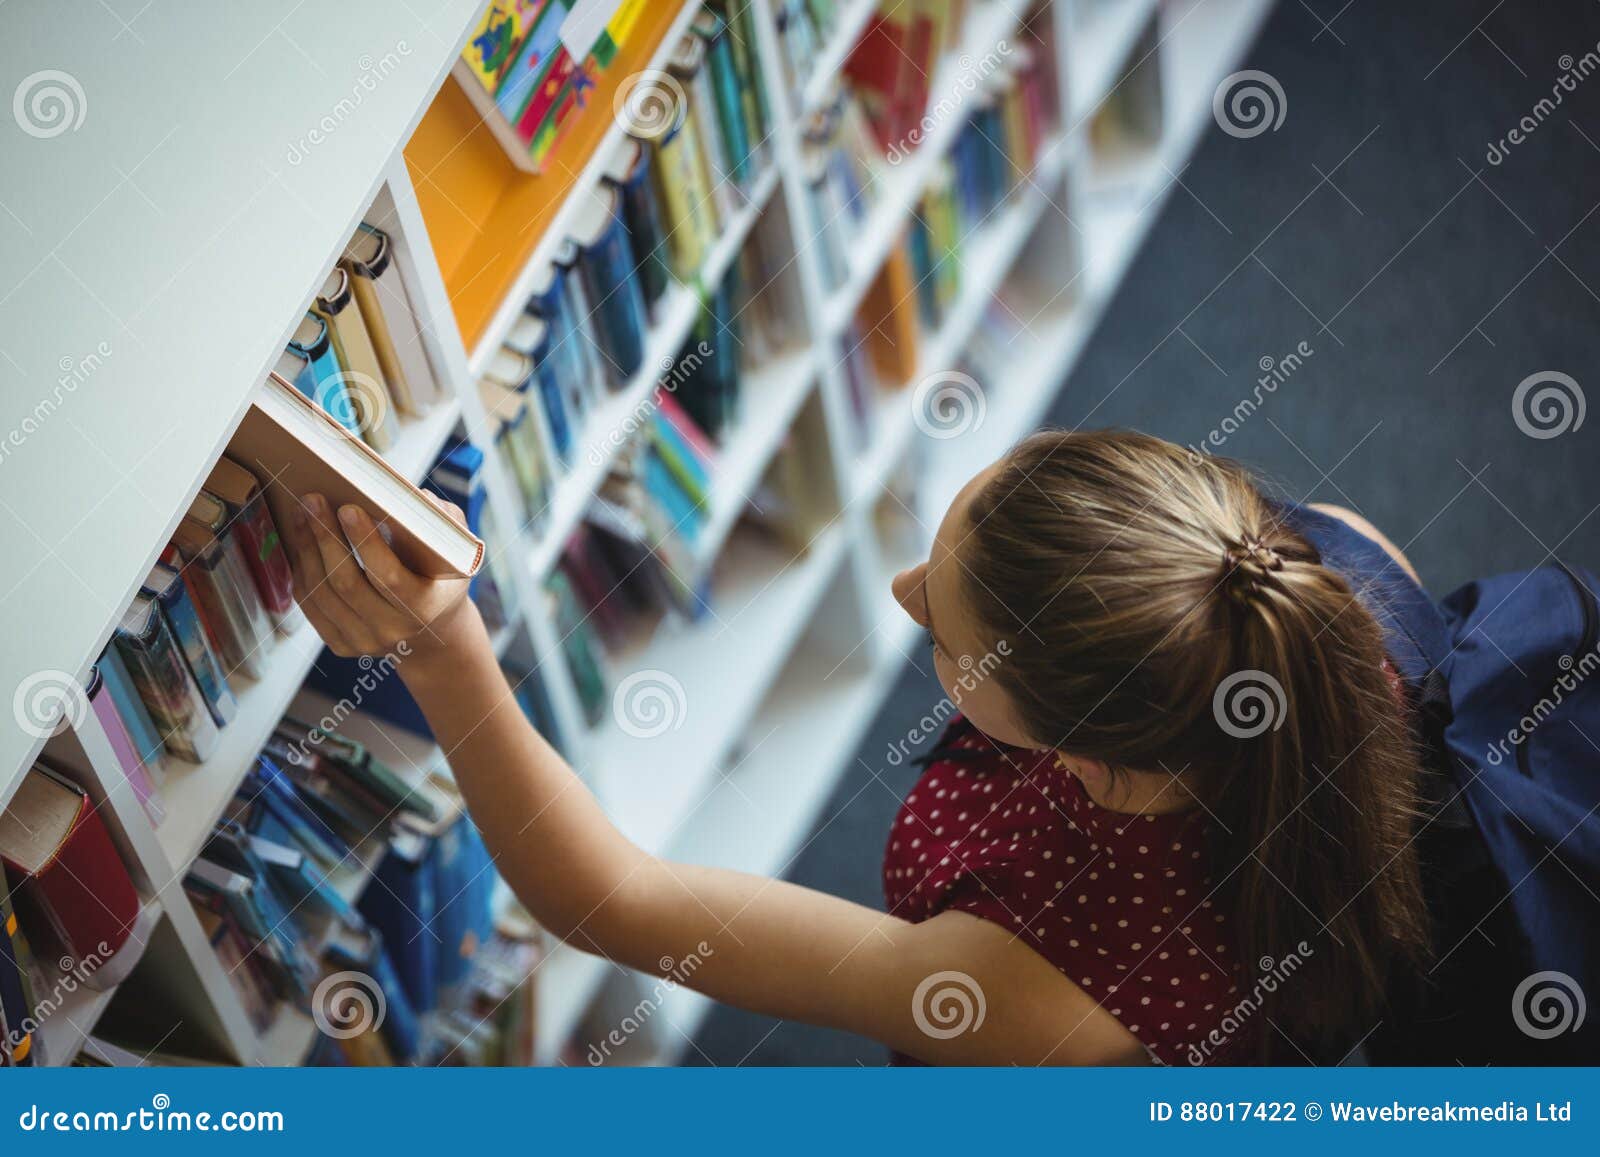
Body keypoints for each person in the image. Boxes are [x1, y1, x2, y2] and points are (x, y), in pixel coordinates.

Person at [279, 428, 1445, 1065]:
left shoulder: (1030, 1000)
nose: (894, 593)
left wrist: (442, 657)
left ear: (1077, 756)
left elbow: (611, 902)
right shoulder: (1308, 564)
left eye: (938, 623)